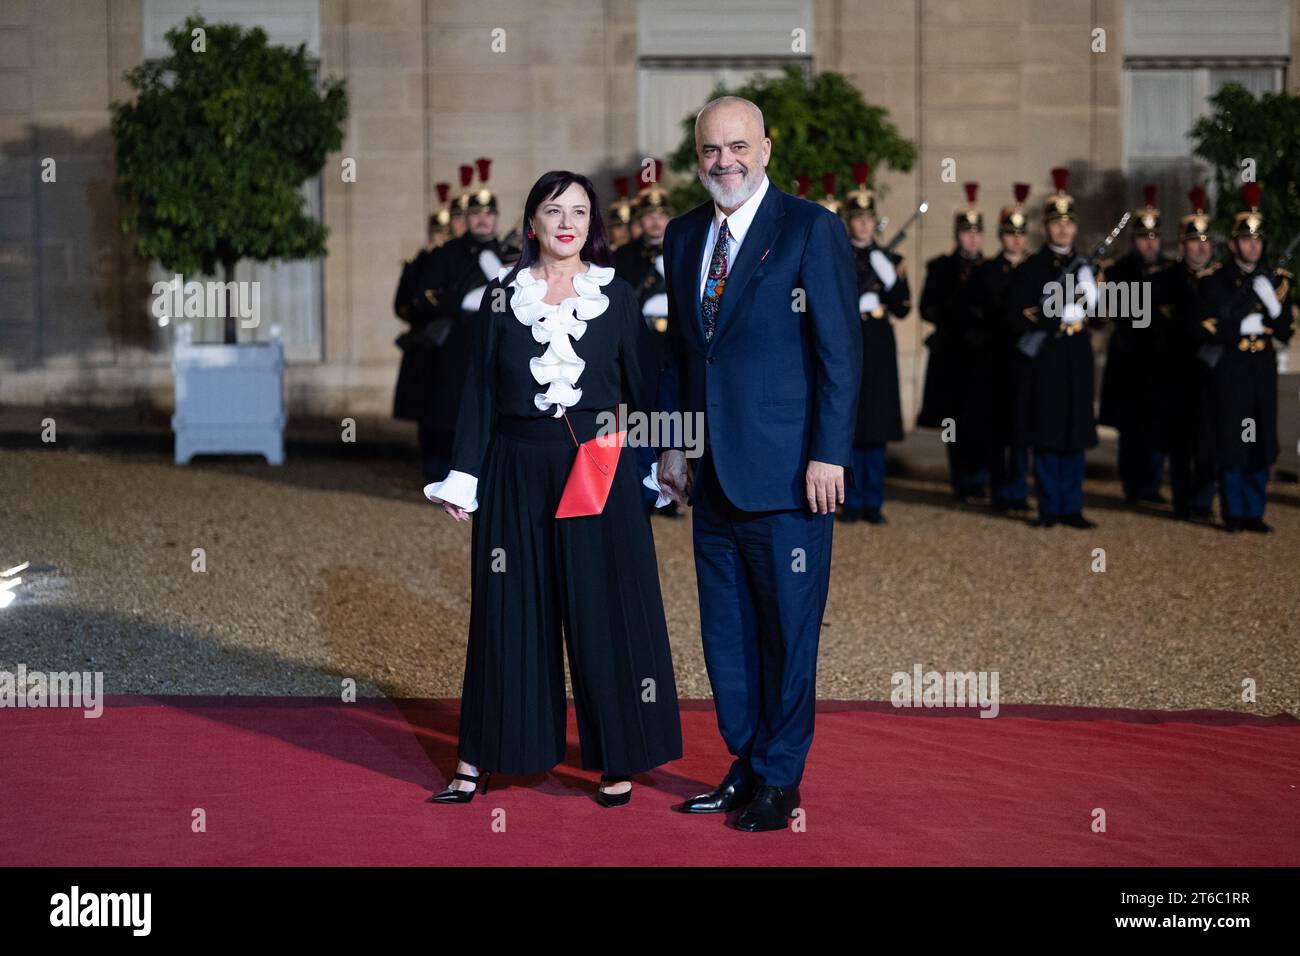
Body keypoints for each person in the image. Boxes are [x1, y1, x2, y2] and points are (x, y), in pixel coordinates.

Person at [424, 170, 682, 806]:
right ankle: (482, 755)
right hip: (515, 470)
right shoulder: (496, 298)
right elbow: (479, 394)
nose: (567, 222)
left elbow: (648, 390)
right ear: (531, 220)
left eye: (580, 212)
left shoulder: (617, 295)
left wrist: (668, 463)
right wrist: (465, 476)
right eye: (553, 209)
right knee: (509, 615)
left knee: (606, 613)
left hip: (600, 465)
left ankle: (618, 755)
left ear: (592, 225)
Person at [656, 96, 861, 832]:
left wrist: (829, 454)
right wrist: (671, 444)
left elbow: (841, 353)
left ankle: (781, 777)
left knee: (788, 633)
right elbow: (680, 356)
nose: (725, 162)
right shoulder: (683, 237)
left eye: (738, 147)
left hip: (788, 479)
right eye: (712, 150)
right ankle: (744, 763)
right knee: (727, 635)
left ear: (766, 150)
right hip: (710, 479)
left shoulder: (811, 229)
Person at [1194, 183, 1294, 532]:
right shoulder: (1215, 280)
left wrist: (1271, 304)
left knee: (1260, 439)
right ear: (1234, 243)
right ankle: (1234, 511)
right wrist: (1241, 325)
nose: (1254, 245)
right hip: (1232, 370)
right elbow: (1205, 328)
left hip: (1260, 369)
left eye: (1258, 240)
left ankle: (1255, 511)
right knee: (1234, 440)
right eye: (1246, 239)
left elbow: (1285, 330)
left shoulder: (1275, 281)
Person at [1010, 167, 1100, 529]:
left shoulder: (1089, 266)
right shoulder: (1032, 268)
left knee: (1075, 432)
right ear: (1046, 227)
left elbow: (1107, 314)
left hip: (1077, 351)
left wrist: (1093, 291)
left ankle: (1072, 506)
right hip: (1047, 353)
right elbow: (1021, 314)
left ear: (1075, 227)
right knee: (1047, 432)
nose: (1063, 230)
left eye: (1069, 224)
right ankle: (1049, 506)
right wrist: (1056, 306)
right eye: (1055, 223)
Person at [416, 158, 511, 481]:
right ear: (466, 217)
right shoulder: (448, 253)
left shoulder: (510, 252)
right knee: (451, 413)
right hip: (458, 345)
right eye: (476, 214)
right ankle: (449, 475)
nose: (483, 220)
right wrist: (465, 301)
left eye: (488, 214)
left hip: (499, 344)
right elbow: (426, 295)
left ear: (496, 217)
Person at [839, 162, 910, 524]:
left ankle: (873, 500)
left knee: (876, 424)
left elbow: (903, 307)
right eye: (857, 218)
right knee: (849, 423)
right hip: (848, 342)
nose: (863, 224)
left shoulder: (891, 260)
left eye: (869, 218)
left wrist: (890, 278)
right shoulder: (835, 256)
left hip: (879, 343)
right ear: (849, 220)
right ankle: (850, 501)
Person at [1098, 185, 1177, 507]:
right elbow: (1113, 311)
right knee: (1131, 429)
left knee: (1158, 426)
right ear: (1134, 240)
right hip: (1130, 359)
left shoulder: (1171, 271)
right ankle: (1133, 485)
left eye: (1155, 237)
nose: (1150, 243)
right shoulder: (1117, 271)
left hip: (1161, 361)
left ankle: (1153, 484)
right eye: (1144, 237)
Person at [613, 165, 679, 516]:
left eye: (661, 215)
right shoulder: (621, 257)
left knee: (671, 415)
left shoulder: (683, 251)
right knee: (638, 415)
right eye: (649, 215)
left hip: (671, 342)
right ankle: (641, 488)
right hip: (638, 343)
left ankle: (672, 488)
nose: (655, 222)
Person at [917, 182, 990, 501]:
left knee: (982, 420)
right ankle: (961, 480)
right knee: (954, 424)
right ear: (957, 234)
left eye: (976, 233)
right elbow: (927, 308)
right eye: (966, 232)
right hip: (952, 356)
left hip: (983, 357)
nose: (971, 238)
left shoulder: (991, 268)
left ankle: (980, 479)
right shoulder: (941, 268)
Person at [1165, 187, 1218, 521]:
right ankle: (1183, 501)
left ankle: (1203, 499)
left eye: (1205, 242)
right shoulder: (1166, 280)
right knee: (1182, 442)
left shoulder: (1220, 280)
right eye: (1193, 242)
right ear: (1182, 246)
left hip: (1213, 373)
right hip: (1178, 371)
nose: (1200, 248)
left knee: (1210, 441)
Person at [980, 184, 1032, 512]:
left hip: (1026, 361)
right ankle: (1000, 491)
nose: (1015, 239)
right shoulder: (987, 271)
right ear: (1001, 236)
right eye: (1009, 233)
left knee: (1023, 432)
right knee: (998, 431)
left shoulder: (1035, 271)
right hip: (996, 360)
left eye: (1020, 233)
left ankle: (1019, 490)